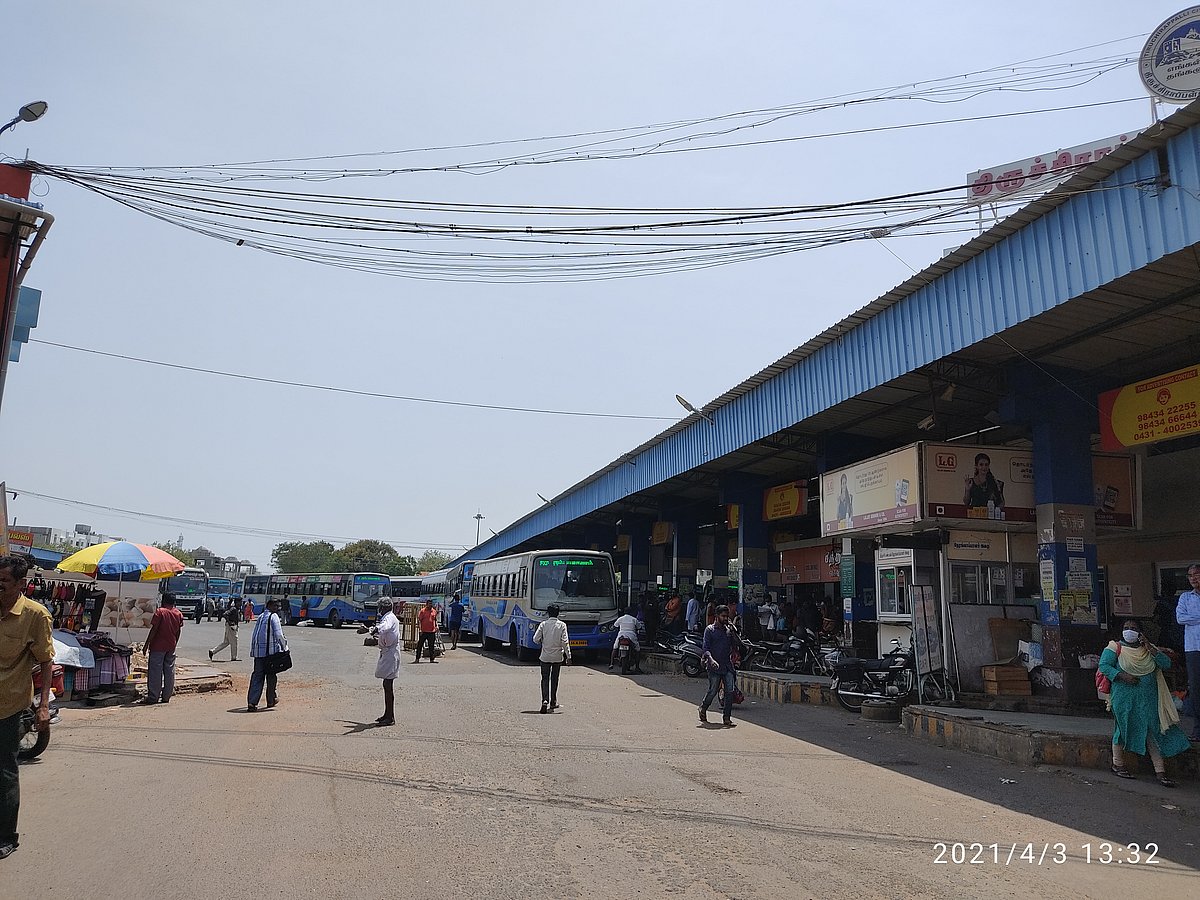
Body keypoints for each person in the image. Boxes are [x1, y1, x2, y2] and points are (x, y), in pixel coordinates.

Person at [0, 554, 53, 861]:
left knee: (5, 771)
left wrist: (43, 705)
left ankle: (7, 836)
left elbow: (46, 662)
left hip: (8, 704)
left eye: (3, 582)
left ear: (21, 584)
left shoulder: (36, 615)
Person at [1099, 619, 1191, 786]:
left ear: (1140, 632)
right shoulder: (1114, 647)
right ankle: (1117, 764)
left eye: (1133, 628)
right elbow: (1104, 666)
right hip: (1124, 698)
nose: (1129, 631)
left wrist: (1149, 646)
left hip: (1148, 699)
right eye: (1126, 628)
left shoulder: (1148, 649)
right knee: (1123, 728)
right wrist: (1122, 676)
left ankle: (1160, 772)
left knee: (1152, 731)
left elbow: (1166, 663)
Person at [699, 606, 740, 728]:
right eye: (723, 616)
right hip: (714, 666)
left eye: (727, 616)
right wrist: (711, 660)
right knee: (713, 690)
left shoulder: (728, 631)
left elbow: (737, 645)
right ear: (717, 616)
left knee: (729, 692)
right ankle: (703, 708)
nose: (726, 618)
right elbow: (705, 649)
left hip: (727, 666)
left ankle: (726, 717)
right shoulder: (710, 630)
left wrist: (733, 630)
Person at [248, 597, 287, 712]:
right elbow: (279, 635)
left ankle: (252, 702)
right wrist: (285, 649)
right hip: (270, 654)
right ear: (269, 606)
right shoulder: (273, 617)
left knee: (257, 677)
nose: (277, 608)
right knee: (271, 677)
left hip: (258, 654)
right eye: (275, 606)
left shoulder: (260, 617)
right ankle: (271, 700)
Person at [144, 594, 184, 704]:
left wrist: (146, 644)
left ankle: (153, 697)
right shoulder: (178, 613)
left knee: (155, 672)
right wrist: (175, 643)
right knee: (169, 671)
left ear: (163, 601)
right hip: (171, 645)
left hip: (158, 646)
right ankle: (166, 696)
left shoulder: (160, 612)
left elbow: (154, 629)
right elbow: (178, 632)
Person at [1177, 564, 1200, 742]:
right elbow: (1180, 618)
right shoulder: (1185, 598)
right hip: (1193, 648)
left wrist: (1193, 619)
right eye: (1190, 575)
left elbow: (1188, 619)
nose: (1193, 578)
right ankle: (1198, 728)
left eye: (1197, 574)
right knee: (1196, 687)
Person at [533, 604, 570, 713]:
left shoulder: (543, 624)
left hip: (545, 656)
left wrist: (542, 641)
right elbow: (565, 642)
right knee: (555, 679)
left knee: (545, 678)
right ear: (558, 613)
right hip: (558, 657)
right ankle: (553, 701)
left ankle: (545, 700)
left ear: (548, 613)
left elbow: (535, 639)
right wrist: (569, 656)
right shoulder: (562, 625)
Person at [370, 597, 400, 726]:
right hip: (387, 652)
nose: (379, 610)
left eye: (380, 607)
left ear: (385, 607)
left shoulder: (389, 618)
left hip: (390, 653)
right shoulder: (387, 617)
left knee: (388, 685)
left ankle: (390, 717)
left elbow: (385, 627)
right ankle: (387, 714)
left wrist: (376, 629)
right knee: (386, 684)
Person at [608, 606, 644, 673]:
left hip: (621, 635)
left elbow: (615, 626)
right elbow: (639, 627)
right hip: (631, 636)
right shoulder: (634, 619)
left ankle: (611, 663)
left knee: (615, 648)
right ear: (631, 612)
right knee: (637, 650)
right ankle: (637, 667)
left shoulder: (620, 619)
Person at [208, 596, 241, 662]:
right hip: (231, 627)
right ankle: (234, 657)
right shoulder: (233, 609)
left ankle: (213, 651)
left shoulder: (236, 609)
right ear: (237, 602)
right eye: (240, 602)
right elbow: (225, 614)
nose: (241, 604)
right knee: (234, 642)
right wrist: (230, 622)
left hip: (231, 626)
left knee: (226, 642)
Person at [414, 598, 439, 663]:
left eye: (431, 604)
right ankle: (417, 659)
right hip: (424, 631)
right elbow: (419, 621)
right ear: (426, 604)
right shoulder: (422, 611)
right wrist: (420, 629)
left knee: (431, 646)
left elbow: (435, 620)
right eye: (429, 604)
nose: (430, 605)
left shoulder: (434, 611)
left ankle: (432, 659)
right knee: (420, 645)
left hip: (431, 631)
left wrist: (436, 627)